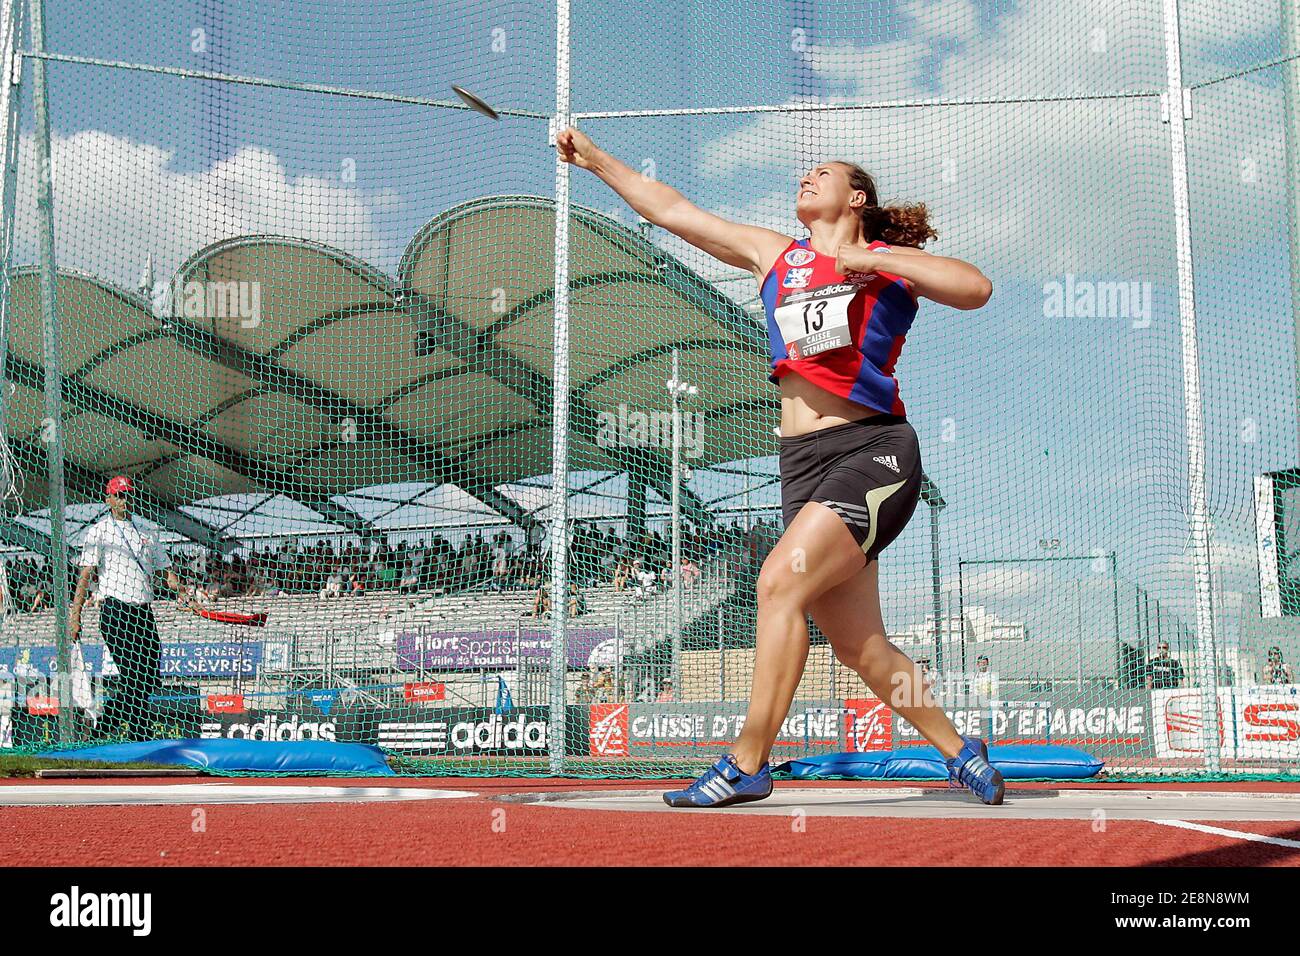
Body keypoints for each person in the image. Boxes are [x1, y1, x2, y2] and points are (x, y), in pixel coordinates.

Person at [557, 127, 1003, 806]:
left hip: (873, 451)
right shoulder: (777, 256)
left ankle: (746, 763)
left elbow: (975, 287)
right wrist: (596, 162)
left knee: (776, 584)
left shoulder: (884, 260)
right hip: (800, 465)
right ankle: (959, 750)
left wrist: (872, 257)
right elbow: (671, 209)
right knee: (862, 649)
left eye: (822, 172)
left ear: (856, 197)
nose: (807, 175)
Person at [69, 475, 185, 741]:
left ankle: (112, 731)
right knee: (133, 675)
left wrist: (184, 593)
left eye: (128, 494)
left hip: (143, 610)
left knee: (147, 676)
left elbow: (167, 573)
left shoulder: (146, 533)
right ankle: (134, 735)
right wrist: (75, 616)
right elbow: (84, 575)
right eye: (119, 495)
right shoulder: (99, 531)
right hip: (116, 610)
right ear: (108, 499)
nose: (125, 500)